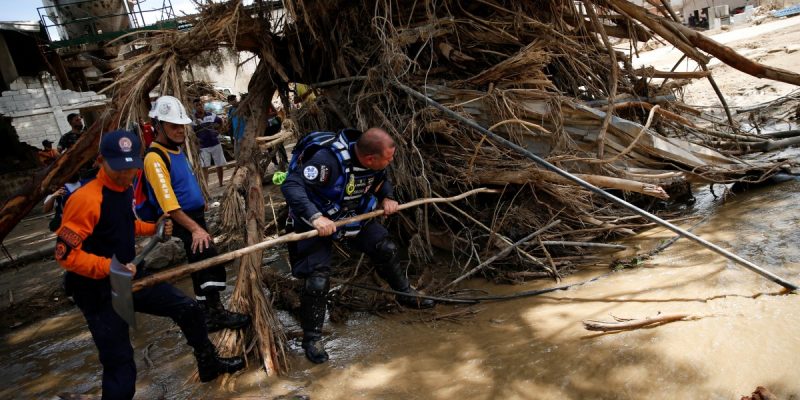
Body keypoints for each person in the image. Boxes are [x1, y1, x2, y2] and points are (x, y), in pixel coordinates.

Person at [55, 129, 245, 399]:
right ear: (101, 161)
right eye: (118, 167)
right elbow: (65, 254)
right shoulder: (84, 200)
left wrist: (150, 229)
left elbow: (121, 225)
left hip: (129, 275)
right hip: (96, 289)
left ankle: (209, 364)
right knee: (120, 363)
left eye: (131, 167)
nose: (125, 174)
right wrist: (110, 268)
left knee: (188, 308)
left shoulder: (123, 188)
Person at [281, 127, 434, 364]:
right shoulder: (327, 161)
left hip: (351, 216)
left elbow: (380, 181)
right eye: (388, 158)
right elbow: (292, 185)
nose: (391, 161)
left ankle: (404, 293)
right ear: (371, 158)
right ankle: (312, 338)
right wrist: (315, 217)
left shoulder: (376, 164)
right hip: (313, 222)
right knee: (318, 279)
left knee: (385, 248)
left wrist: (388, 196)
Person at [143, 95, 250, 332]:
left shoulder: (176, 150)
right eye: (174, 126)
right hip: (182, 221)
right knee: (206, 261)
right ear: (159, 126)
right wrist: (194, 228)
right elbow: (168, 203)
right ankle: (214, 313)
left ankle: (208, 314)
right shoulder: (154, 157)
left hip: (194, 217)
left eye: (182, 125)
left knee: (202, 264)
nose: (180, 131)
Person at [192, 99, 227, 186]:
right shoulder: (193, 120)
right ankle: (206, 186)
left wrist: (219, 131)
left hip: (215, 143)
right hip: (203, 146)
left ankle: (221, 183)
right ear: (194, 107)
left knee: (219, 164)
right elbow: (191, 132)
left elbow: (220, 121)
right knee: (204, 167)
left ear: (202, 105)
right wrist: (196, 140)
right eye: (196, 105)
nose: (199, 106)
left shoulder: (211, 115)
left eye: (200, 104)